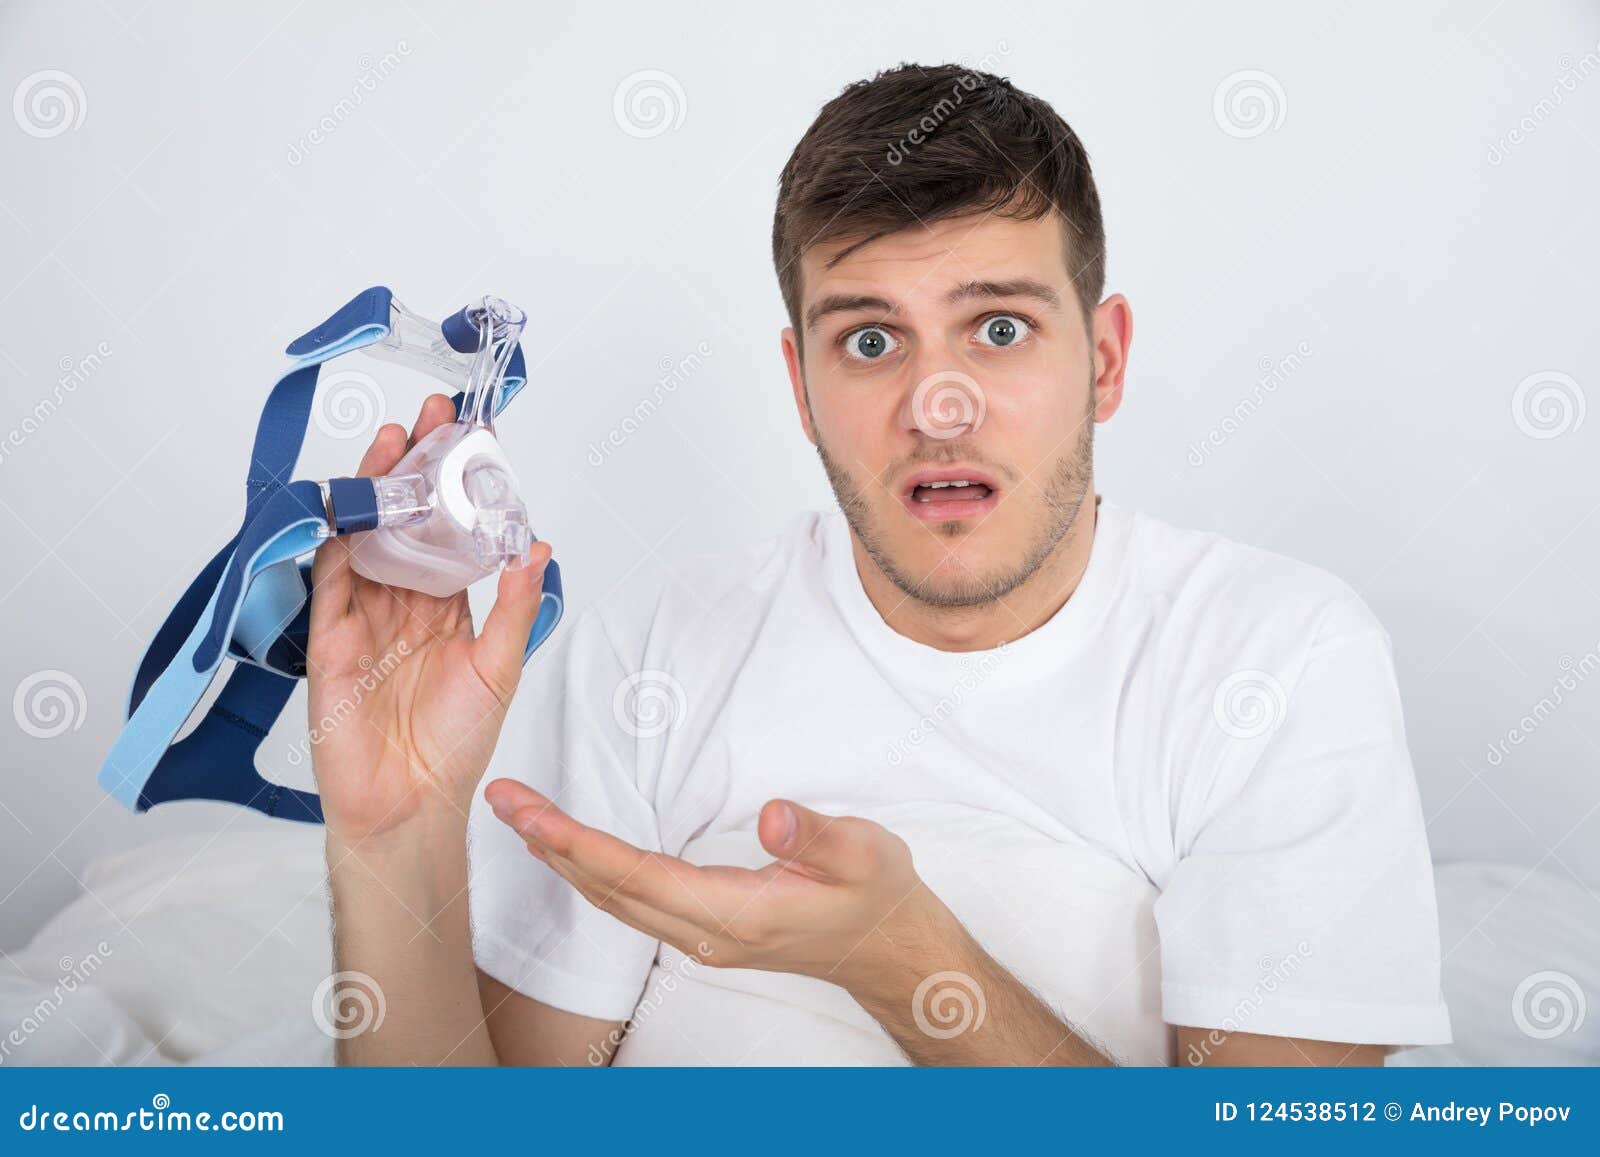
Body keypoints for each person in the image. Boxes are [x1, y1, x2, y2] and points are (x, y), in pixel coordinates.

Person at [309, 63, 1452, 1066]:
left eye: (998, 327)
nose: (934, 405)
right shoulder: (647, 652)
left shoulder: (1278, 655)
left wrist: (902, 962)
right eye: (868, 339)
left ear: (1102, 361)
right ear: (802, 386)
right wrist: (393, 835)